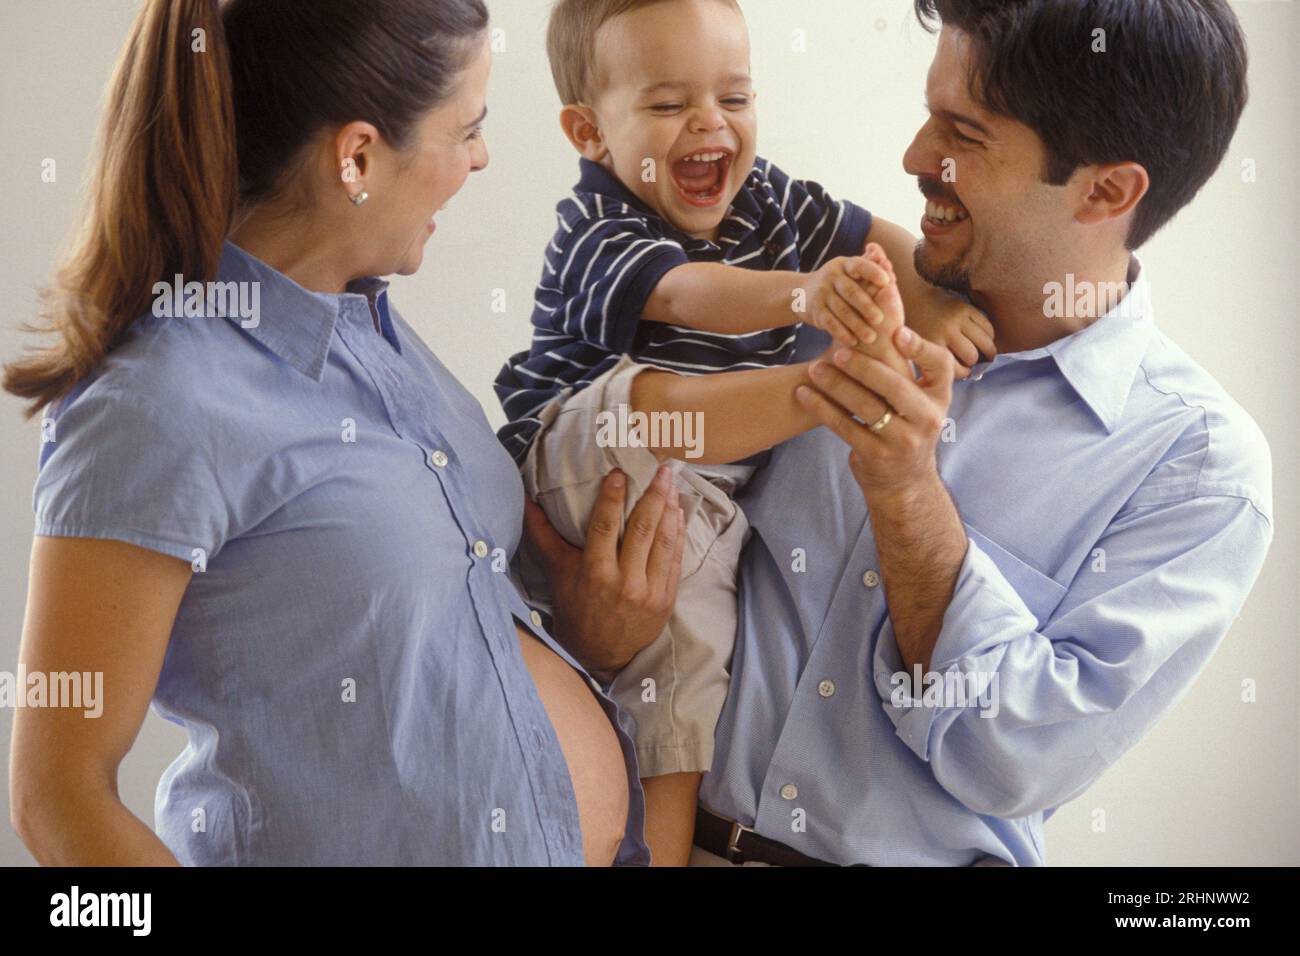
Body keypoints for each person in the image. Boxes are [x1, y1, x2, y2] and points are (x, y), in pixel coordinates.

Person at [526, 0, 1274, 865]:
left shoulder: (1198, 469)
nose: (915, 157)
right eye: (929, 115)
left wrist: (909, 492)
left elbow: (1011, 757)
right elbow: (622, 475)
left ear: (1106, 190)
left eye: (963, 133)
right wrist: (595, 637)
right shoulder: (819, 303)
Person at [6, 0, 685, 866]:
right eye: (467, 129)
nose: (481, 158)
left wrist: (586, 640)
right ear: (357, 156)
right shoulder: (155, 402)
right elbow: (57, 799)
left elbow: (408, 656)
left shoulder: (380, 338)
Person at [495, 0, 994, 866]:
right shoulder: (597, 226)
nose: (709, 124)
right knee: (656, 409)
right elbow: (685, 295)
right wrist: (807, 297)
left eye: (734, 97)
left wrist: (928, 298)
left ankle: (658, 850)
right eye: (667, 104)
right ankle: (826, 390)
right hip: (588, 463)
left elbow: (869, 235)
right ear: (590, 132)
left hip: (701, 502)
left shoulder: (769, 198)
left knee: (682, 692)